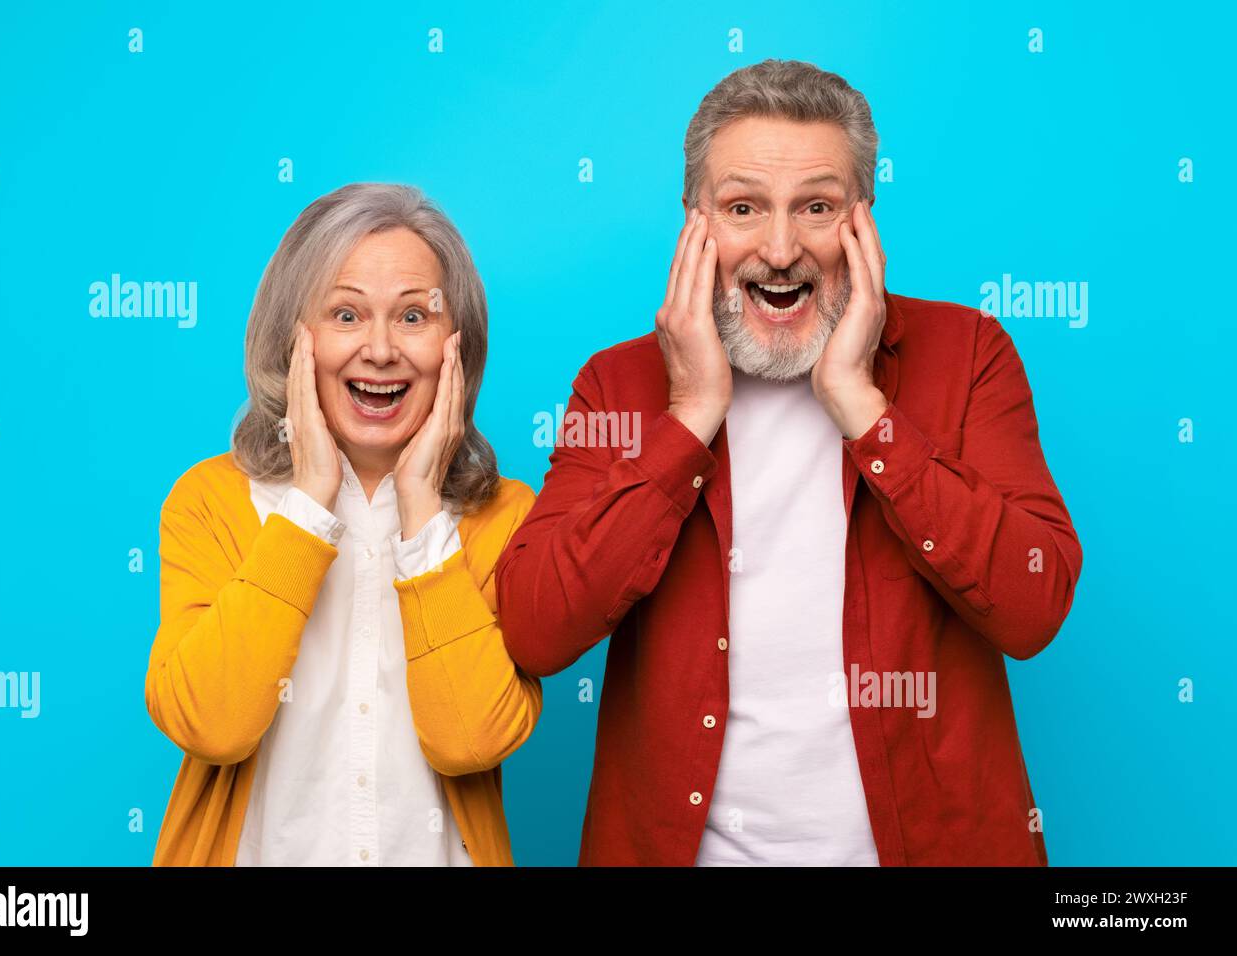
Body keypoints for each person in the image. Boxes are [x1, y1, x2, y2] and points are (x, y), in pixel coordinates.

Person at [496, 60, 1082, 866]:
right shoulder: (619, 385)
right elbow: (535, 628)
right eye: (744, 208)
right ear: (693, 223)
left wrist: (862, 407)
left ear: (862, 221)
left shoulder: (969, 354)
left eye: (816, 207)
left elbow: (1034, 602)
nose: (780, 249)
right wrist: (689, 417)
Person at [146, 183, 540, 866]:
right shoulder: (210, 501)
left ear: (457, 344)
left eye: (414, 316)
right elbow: (213, 725)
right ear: (292, 339)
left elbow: (469, 739)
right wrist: (309, 504)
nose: (381, 350)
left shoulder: (506, 518)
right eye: (346, 314)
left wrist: (420, 511)